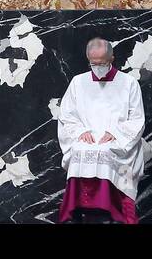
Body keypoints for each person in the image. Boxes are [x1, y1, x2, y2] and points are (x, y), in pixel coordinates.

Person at [57, 37, 146, 224]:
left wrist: (116, 133)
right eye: (93, 64)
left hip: (116, 141)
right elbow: (66, 116)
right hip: (86, 140)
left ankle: (114, 211)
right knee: (81, 150)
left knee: (105, 151)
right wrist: (80, 132)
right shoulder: (77, 82)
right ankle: (77, 213)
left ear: (112, 59)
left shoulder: (129, 83)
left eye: (102, 63)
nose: (97, 67)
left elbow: (137, 119)